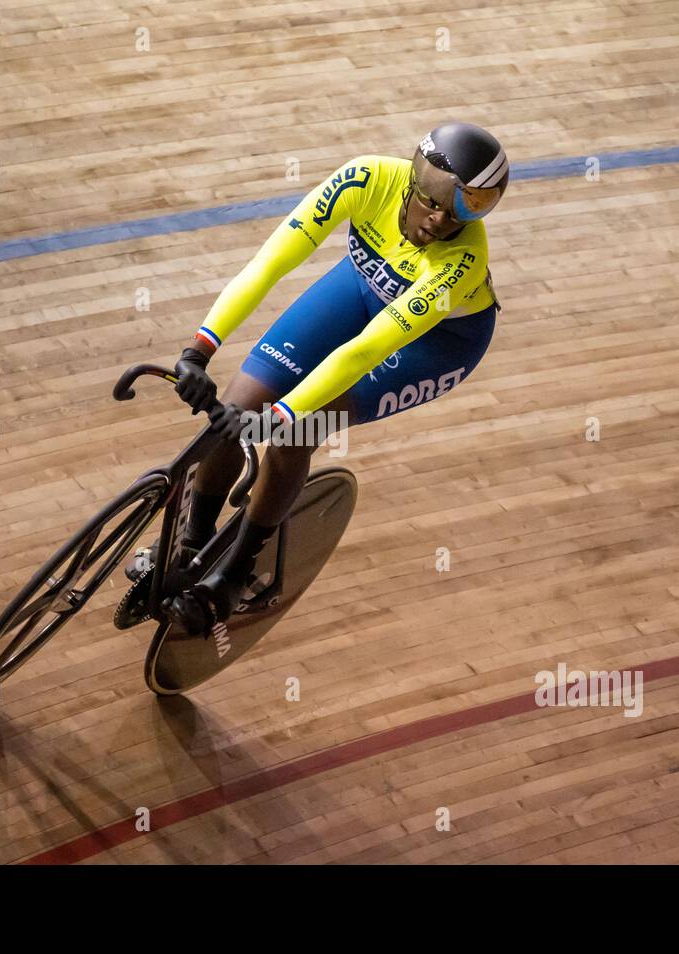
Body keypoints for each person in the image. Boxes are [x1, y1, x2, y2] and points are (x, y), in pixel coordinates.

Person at [163, 122, 510, 635]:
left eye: (467, 210)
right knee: (237, 405)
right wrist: (200, 348)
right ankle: (192, 542)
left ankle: (236, 575)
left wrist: (279, 418)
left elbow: (366, 350)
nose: (443, 221)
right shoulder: (365, 179)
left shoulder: (462, 259)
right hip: (364, 282)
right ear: (415, 181)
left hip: (434, 344)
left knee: (296, 432)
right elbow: (268, 265)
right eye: (437, 202)